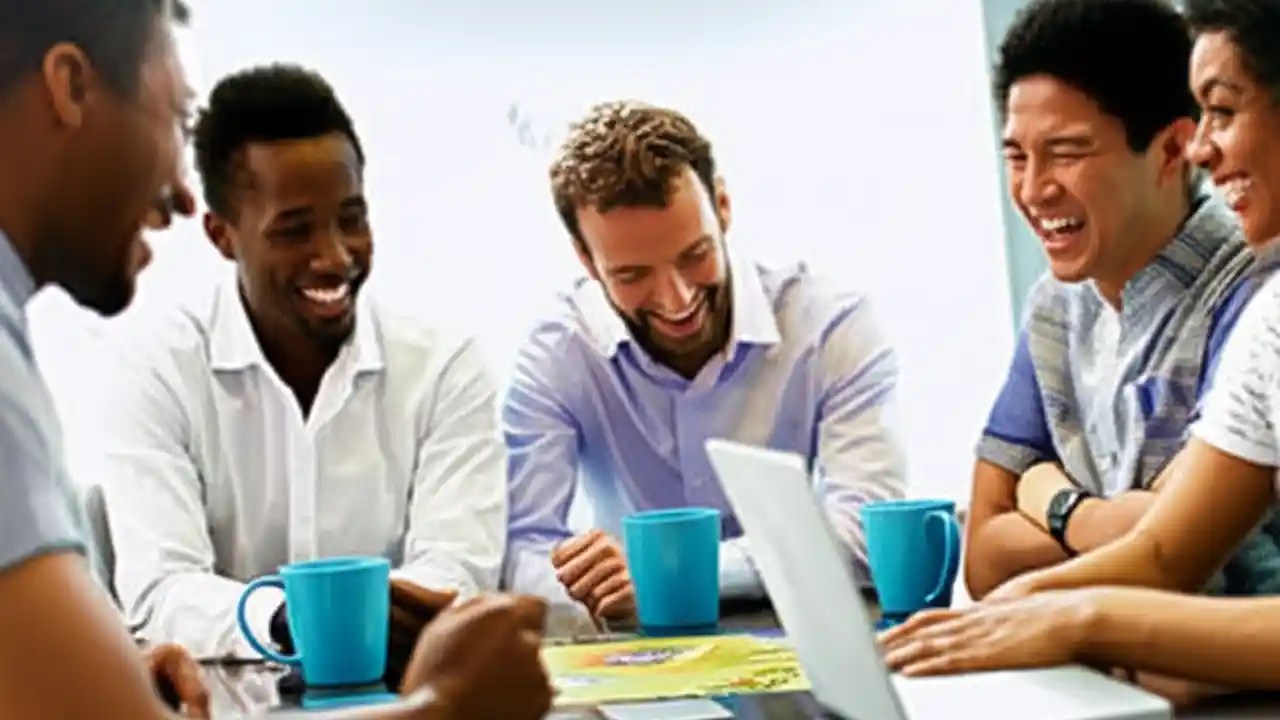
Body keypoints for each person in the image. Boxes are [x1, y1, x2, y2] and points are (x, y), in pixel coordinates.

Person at [0, 2, 550, 719]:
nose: (178, 189)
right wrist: (450, 707)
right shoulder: (132, 367)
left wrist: (125, 665)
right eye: (175, 117)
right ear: (70, 87)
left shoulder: (444, 363)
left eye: (351, 217)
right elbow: (148, 608)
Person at [881, 0, 1280, 692]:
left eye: (1223, 111)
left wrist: (1076, 598)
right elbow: (1159, 554)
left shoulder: (1247, 292)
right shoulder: (1273, 319)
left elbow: (1188, 572)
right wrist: (993, 622)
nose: (1201, 149)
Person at [99, 64, 508, 685]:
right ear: (222, 235)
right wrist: (291, 619)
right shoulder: (158, 371)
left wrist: (372, 618)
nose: (336, 255)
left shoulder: (444, 368)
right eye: (294, 230)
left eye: (352, 218)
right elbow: (159, 591)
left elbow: (458, 572)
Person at [502, 99, 907, 621]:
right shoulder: (557, 355)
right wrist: (586, 583)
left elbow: (866, 530)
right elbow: (523, 546)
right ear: (586, 259)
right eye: (632, 276)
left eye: (695, 255)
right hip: (636, 651)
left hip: (800, 638)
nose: (675, 300)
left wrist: (673, 575)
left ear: (723, 207)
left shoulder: (829, 328)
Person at [962, 0, 1280, 601]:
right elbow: (984, 558)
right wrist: (1112, 524)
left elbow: (1187, 560)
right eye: (1017, 157)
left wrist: (1051, 498)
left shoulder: (1254, 289)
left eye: (1067, 152)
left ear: (1168, 151)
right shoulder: (1057, 305)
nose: (1033, 190)